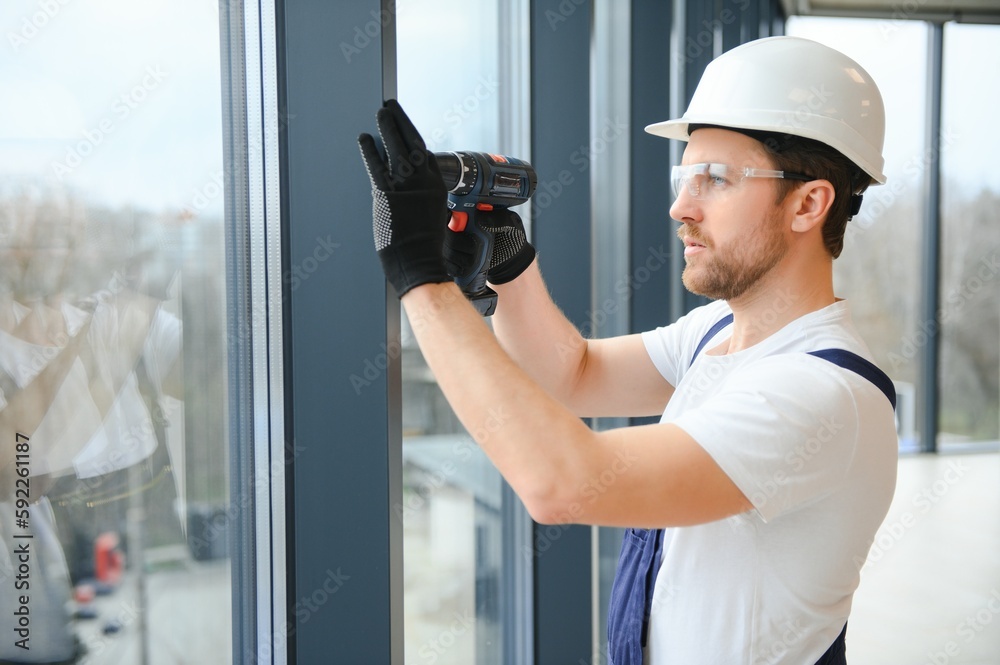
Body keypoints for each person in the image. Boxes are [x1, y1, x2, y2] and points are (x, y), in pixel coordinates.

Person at [358, 35, 897, 665]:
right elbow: (573, 375)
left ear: (809, 203)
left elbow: (564, 484)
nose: (680, 207)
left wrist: (420, 278)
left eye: (715, 180)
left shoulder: (820, 394)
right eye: (685, 176)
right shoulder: (716, 334)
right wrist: (510, 264)